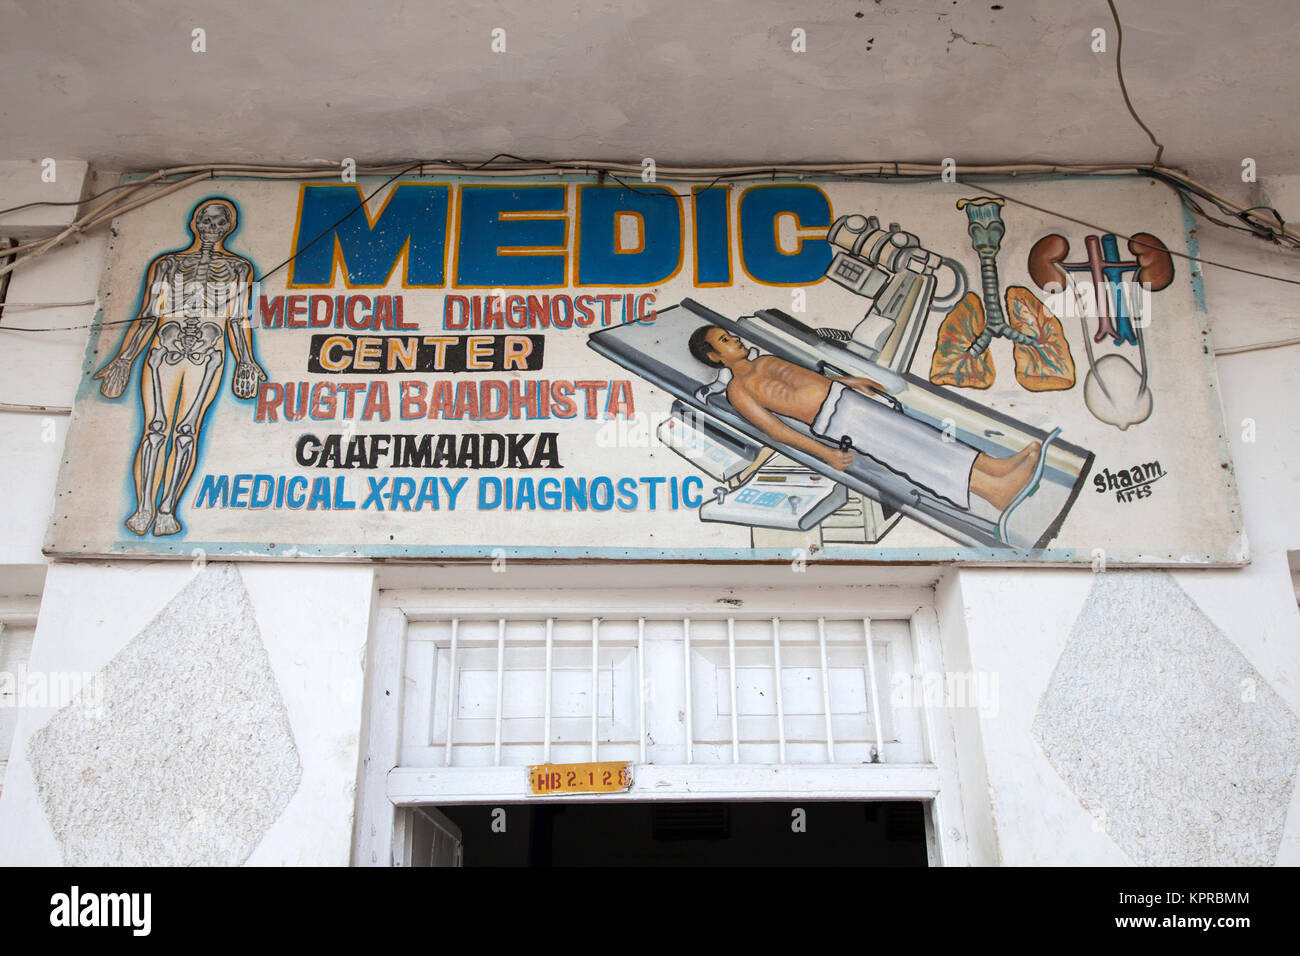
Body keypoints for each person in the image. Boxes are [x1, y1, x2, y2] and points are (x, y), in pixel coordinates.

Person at [687, 325, 1041, 511]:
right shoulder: (739, 390)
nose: (734, 339)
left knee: (927, 437)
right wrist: (825, 454)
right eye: (725, 340)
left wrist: (851, 381)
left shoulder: (764, 361)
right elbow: (777, 431)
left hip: (848, 398)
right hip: (839, 422)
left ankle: (996, 467)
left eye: (730, 334)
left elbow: (816, 379)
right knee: (912, 456)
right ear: (716, 357)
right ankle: (992, 491)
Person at [94, 197, 265, 536]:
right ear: (194, 222)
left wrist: (247, 360)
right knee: (155, 428)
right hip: (163, 350)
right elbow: (147, 315)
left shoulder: (241, 269)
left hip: (209, 352)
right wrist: (124, 358)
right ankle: (143, 508)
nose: (210, 228)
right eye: (205, 219)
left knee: (187, 431)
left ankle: (167, 509)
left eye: (218, 222)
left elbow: (240, 319)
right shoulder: (168, 264)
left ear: (228, 227)